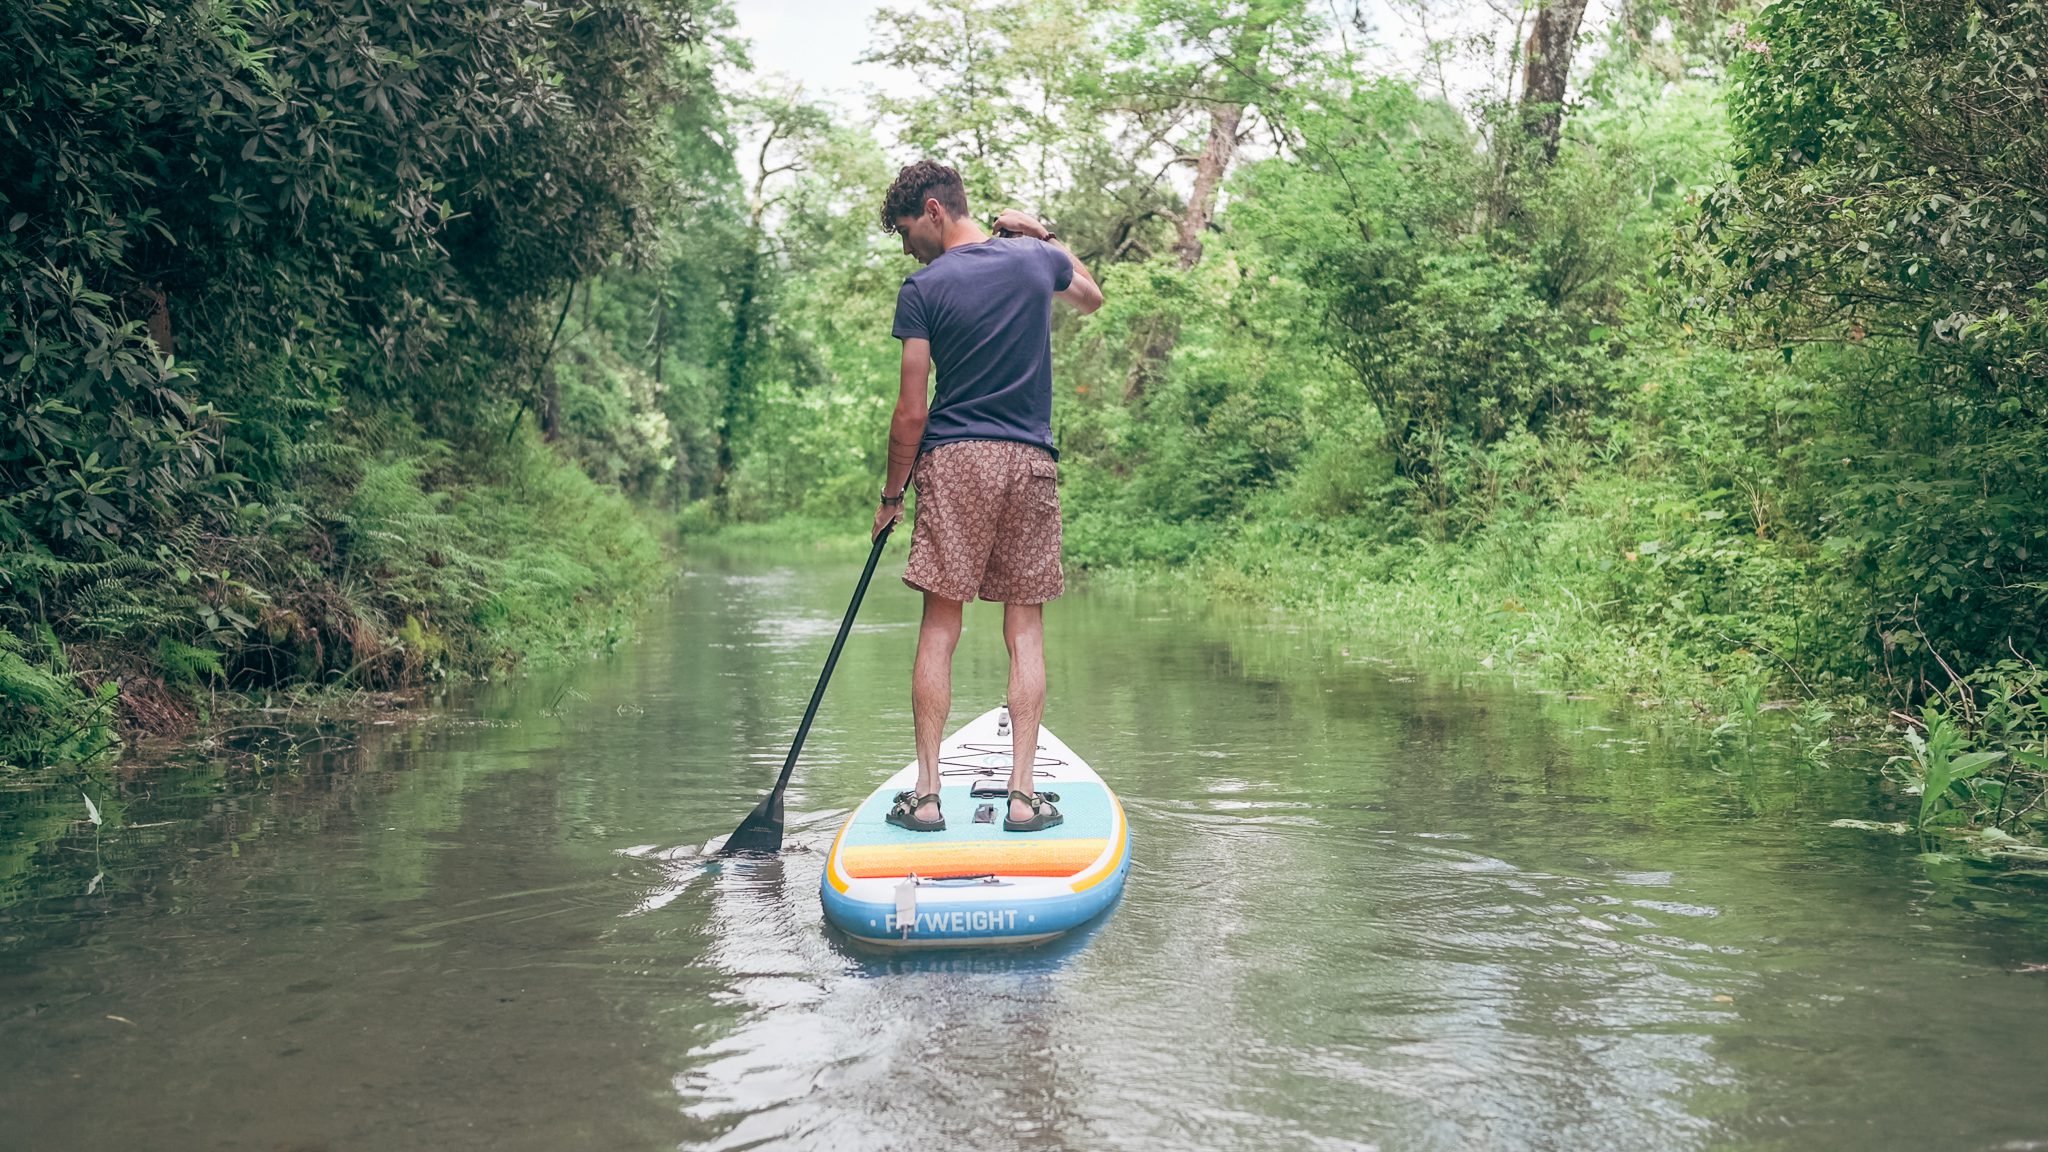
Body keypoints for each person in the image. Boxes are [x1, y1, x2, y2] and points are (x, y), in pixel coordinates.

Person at [870, 159, 1104, 834]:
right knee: (1023, 626)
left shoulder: (922, 288)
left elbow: (911, 412)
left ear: (937, 211)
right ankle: (1024, 799)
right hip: (1030, 460)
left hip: (955, 460)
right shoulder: (1033, 260)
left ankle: (928, 795)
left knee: (941, 626)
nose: (907, 245)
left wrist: (892, 494)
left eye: (909, 229)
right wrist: (1046, 236)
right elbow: (1090, 296)